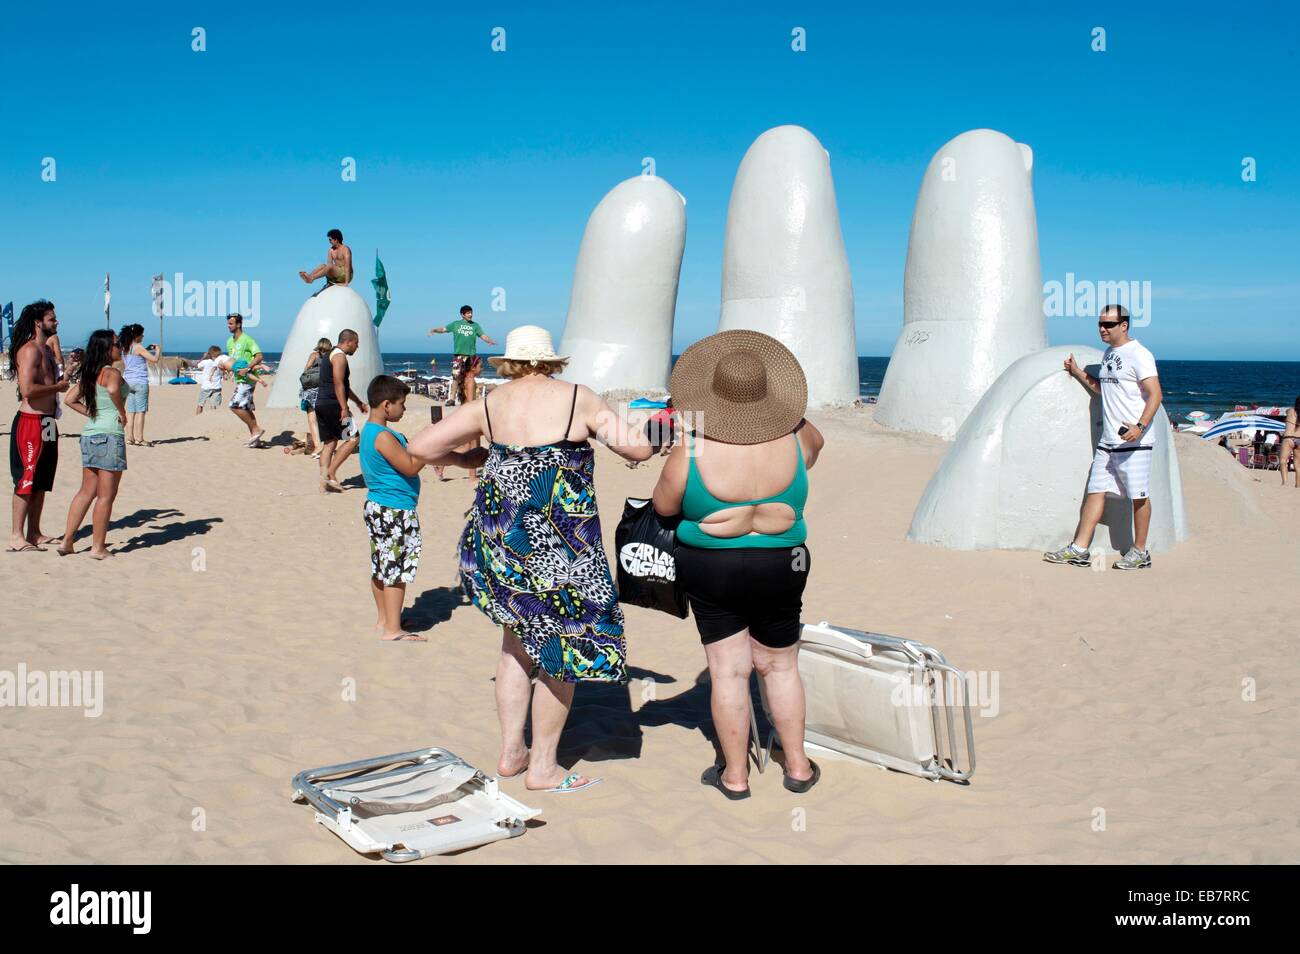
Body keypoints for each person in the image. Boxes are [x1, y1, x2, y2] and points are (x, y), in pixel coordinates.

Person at [408, 325, 652, 793]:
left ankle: (510, 753)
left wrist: (470, 460)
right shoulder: (579, 397)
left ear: (512, 361)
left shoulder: (489, 404)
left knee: (516, 643)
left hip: (503, 543)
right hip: (565, 546)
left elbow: (421, 447)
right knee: (562, 646)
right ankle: (542, 767)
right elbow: (636, 449)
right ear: (551, 360)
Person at [651, 330, 825, 800]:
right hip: (782, 560)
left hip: (712, 565)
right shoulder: (795, 436)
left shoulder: (691, 446)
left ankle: (734, 776)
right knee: (780, 666)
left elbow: (664, 508)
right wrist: (782, 417)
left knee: (729, 670)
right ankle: (798, 767)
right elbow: (816, 445)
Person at [361, 374, 485, 642]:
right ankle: (393, 630)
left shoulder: (371, 431)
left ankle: (386, 619)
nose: (404, 409)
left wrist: (460, 459)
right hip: (393, 509)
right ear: (386, 405)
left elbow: (416, 455)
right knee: (395, 569)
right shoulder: (381, 435)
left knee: (382, 565)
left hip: (381, 507)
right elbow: (410, 465)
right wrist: (431, 445)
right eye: (402, 404)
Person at [1045, 304, 1164, 570]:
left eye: (1108, 324)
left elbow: (1155, 393)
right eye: (1100, 324)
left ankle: (1140, 551)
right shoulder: (1110, 354)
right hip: (1108, 442)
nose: (1102, 329)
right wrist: (1078, 373)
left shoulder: (1140, 354)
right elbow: (1104, 388)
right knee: (1096, 491)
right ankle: (1079, 549)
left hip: (1134, 443)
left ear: (1124, 325)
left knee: (1139, 496)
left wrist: (1140, 426)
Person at [58, 330, 128, 559]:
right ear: (107, 348)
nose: (121, 347)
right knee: (106, 495)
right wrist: (121, 412)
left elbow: (69, 399)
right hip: (109, 434)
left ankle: (67, 541)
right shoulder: (111, 372)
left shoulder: (90, 373)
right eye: (117, 344)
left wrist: (92, 413)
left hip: (90, 434)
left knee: (86, 491)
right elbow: (113, 389)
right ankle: (98, 547)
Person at [8, 300, 69, 552]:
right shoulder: (30, 350)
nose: (56, 322)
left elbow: (48, 384)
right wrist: (57, 387)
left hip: (47, 420)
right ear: (38, 322)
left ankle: (34, 532)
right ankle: (16, 536)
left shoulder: (46, 350)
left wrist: (64, 377)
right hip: (30, 421)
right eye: (52, 319)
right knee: (27, 477)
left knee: (42, 480)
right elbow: (28, 390)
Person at [316, 329, 367, 492]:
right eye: (356, 343)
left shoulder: (329, 354)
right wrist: (344, 407)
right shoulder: (339, 356)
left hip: (321, 402)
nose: (357, 347)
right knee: (353, 438)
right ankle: (330, 474)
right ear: (349, 342)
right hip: (333, 404)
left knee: (330, 442)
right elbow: (338, 383)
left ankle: (324, 482)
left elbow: (344, 386)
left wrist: (358, 402)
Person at [427, 305, 497, 404]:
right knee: (456, 377)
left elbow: (482, 335)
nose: (471, 315)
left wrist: (489, 341)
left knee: (470, 377)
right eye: (468, 313)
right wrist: (434, 330)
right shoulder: (456, 324)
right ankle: (452, 399)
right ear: (462, 314)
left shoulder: (475, 325)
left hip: (471, 356)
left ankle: (470, 398)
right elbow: (443, 329)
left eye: (471, 313)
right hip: (459, 355)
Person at [225, 313, 265, 446]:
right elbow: (233, 360)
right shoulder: (229, 342)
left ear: (238, 324)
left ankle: (256, 429)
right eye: (228, 323)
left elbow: (259, 356)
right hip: (239, 379)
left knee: (234, 406)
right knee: (245, 407)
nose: (228, 325)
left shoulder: (247, 340)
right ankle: (256, 440)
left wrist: (247, 368)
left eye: (231, 323)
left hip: (248, 379)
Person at [119, 324, 160, 446]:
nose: (143, 336)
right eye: (142, 334)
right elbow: (154, 360)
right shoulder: (138, 347)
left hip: (128, 382)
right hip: (140, 382)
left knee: (131, 412)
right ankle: (139, 438)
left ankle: (129, 437)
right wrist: (157, 351)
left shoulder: (124, 348)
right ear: (137, 336)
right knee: (141, 412)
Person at [296, 338, 332, 457]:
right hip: (325, 390)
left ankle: (318, 447)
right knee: (323, 418)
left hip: (312, 390)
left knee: (312, 418)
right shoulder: (331, 357)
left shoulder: (314, 355)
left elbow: (306, 369)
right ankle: (326, 444)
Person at [194, 345, 224, 414]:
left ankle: (198, 419)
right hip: (216, 387)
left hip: (206, 387)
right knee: (214, 406)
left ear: (209, 354)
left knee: (200, 404)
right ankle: (211, 420)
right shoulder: (221, 363)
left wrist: (204, 357)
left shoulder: (206, 362)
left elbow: (196, 365)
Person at [1280, 397, 1300, 488]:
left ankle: (1285, 483)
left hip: (1288, 438)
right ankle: (1298, 485)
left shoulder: (1290, 410)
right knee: (1298, 465)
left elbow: (1286, 411)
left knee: (1283, 461)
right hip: (1299, 439)